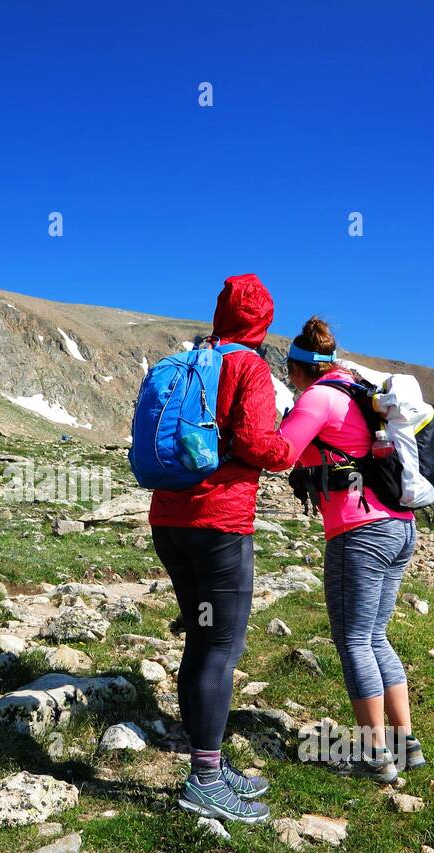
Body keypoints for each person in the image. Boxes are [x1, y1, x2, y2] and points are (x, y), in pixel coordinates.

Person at [149, 274, 294, 822]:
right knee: (219, 648)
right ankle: (204, 780)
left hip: (170, 520)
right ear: (263, 322)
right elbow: (258, 443)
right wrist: (288, 450)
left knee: (202, 639)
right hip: (219, 524)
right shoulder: (249, 367)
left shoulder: (192, 360)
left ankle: (207, 759)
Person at [266, 316, 423, 783]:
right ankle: (405, 743)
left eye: (290, 370)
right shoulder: (357, 390)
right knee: (376, 636)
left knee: (353, 640)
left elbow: (281, 453)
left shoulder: (318, 398)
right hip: (399, 524)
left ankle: (375, 756)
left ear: (298, 368)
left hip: (360, 531)